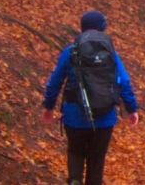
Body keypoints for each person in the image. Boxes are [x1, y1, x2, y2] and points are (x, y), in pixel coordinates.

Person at [41, 10, 139, 185]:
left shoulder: (71, 51)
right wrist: (131, 109)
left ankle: (75, 180)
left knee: (75, 152)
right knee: (96, 160)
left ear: (82, 28)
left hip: (74, 116)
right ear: (102, 29)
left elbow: (55, 81)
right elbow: (123, 81)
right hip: (105, 118)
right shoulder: (110, 53)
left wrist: (49, 107)